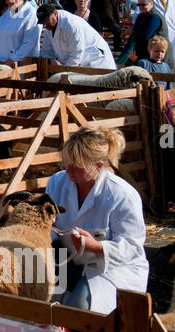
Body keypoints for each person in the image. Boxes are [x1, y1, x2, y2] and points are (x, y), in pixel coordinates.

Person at [47, 126, 148, 314]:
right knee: (32, 293)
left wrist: (97, 247)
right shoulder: (56, 183)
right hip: (65, 260)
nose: (68, 171)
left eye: (76, 167)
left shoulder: (122, 195)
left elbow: (132, 246)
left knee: (79, 308)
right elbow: (46, 223)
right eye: (66, 164)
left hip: (111, 269)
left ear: (99, 166)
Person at [37, 3, 115, 69]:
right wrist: (50, 65)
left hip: (96, 60)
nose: (44, 25)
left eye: (46, 21)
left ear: (55, 14)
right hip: (79, 64)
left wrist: (63, 72)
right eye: (42, 22)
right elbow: (47, 51)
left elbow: (76, 54)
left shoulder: (72, 25)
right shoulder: (49, 27)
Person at [0, 0, 41, 65]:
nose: (7, 2)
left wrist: (14, 59)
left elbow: (30, 42)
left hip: (20, 63)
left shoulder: (31, 13)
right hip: (2, 59)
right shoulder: (9, 12)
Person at [117, 0, 165, 65]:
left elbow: (145, 36)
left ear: (151, 4)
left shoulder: (154, 17)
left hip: (155, 55)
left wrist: (132, 31)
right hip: (141, 52)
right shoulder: (141, 15)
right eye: (138, 5)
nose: (140, 7)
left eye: (143, 4)